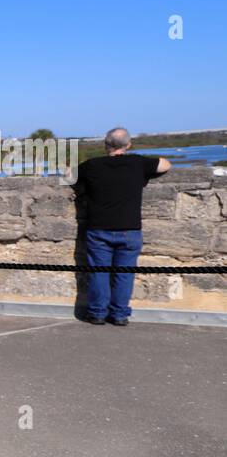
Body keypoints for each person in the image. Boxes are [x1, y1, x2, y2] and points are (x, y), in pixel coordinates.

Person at [74, 127, 170, 326]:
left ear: (106, 145)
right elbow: (165, 165)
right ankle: (119, 315)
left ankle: (98, 313)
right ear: (128, 145)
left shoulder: (93, 165)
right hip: (129, 228)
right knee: (124, 274)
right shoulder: (138, 163)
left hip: (99, 228)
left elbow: (67, 175)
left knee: (99, 272)